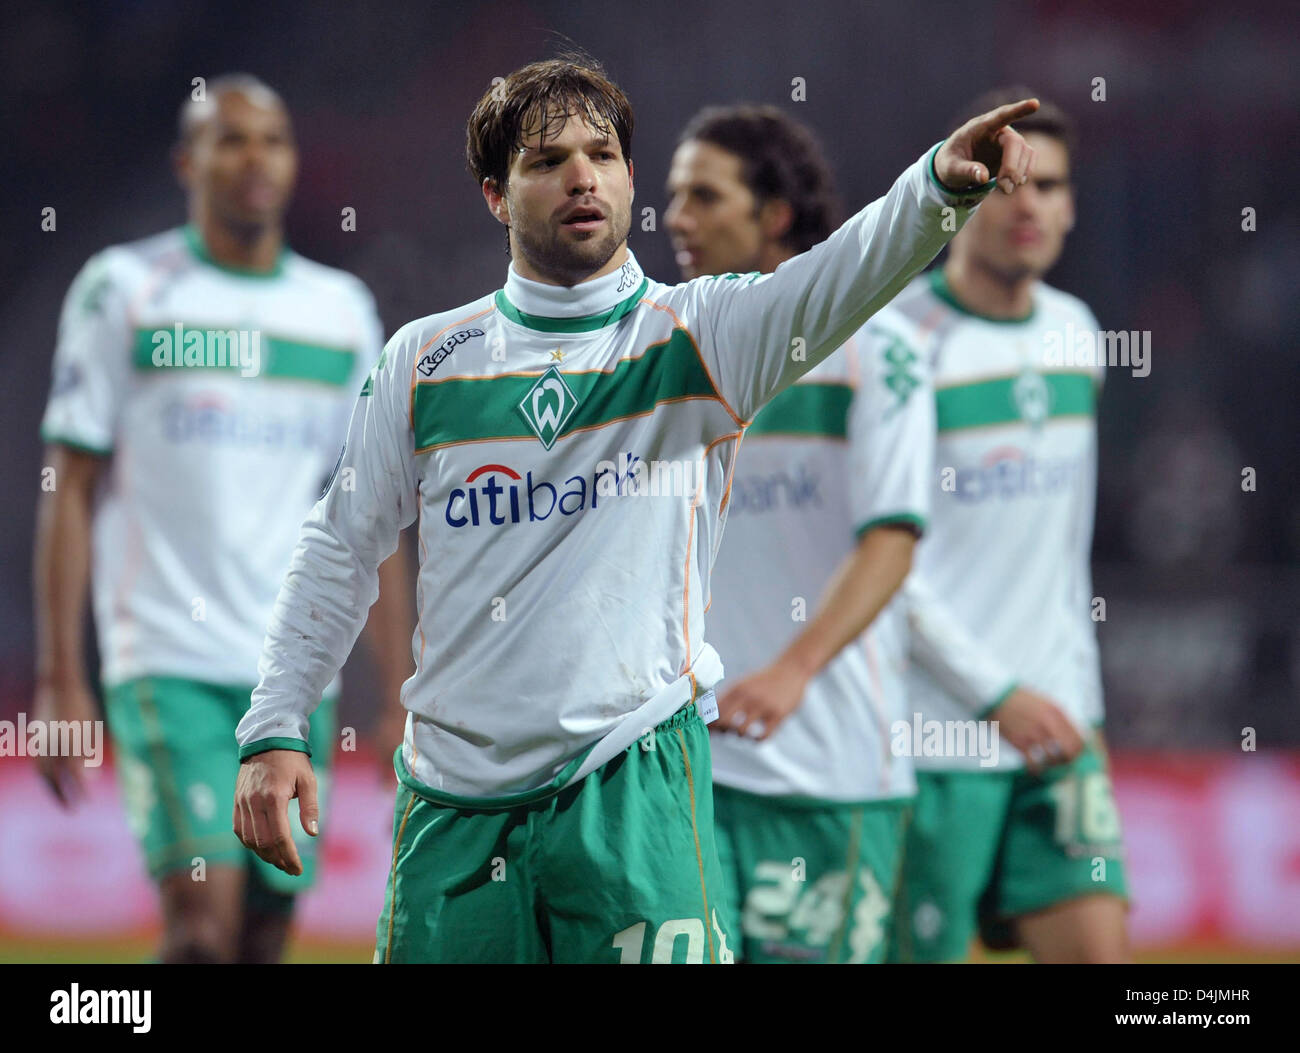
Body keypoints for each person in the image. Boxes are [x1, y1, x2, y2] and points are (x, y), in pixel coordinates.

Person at [232, 55, 1038, 964]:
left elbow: (838, 277)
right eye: (547, 161)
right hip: (452, 811)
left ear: (626, 178)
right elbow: (339, 547)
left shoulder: (696, 336)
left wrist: (934, 189)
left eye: (603, 154)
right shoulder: (426, 362)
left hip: (635, 790)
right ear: (496, 195)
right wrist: (274, 724)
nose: (583, 175)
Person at [33, 74, 413, 964]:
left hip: (293, 676)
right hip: (165, 659)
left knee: (263, 933)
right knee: (201, 926)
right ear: (186, 161)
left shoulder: (340, 313)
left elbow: (370, 513)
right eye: (231, 138)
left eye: (274, 139)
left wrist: (399, 683)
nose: (256, 158)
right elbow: (70, 483)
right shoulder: (125, 290)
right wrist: (59, 676)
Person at [664, 105, 931, 963]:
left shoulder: (878, 349)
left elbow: (893, 539)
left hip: (824, 766)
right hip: (685, 766)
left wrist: (792, 669)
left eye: (704, 196)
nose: (675, 217)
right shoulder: (670, 352)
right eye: (672, 195)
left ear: (775, 215)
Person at [883, 89, 1130, 964]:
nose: (1028, 204)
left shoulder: (1079, 335)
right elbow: (877, 564)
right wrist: (996, 695)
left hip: (1060, 730)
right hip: (934, 737)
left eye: (1049, 185)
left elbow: (1061, 559)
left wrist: (1079, 699)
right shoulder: (896, 341)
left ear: (1069, 205)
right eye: (1004, 182)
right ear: (963, 192)